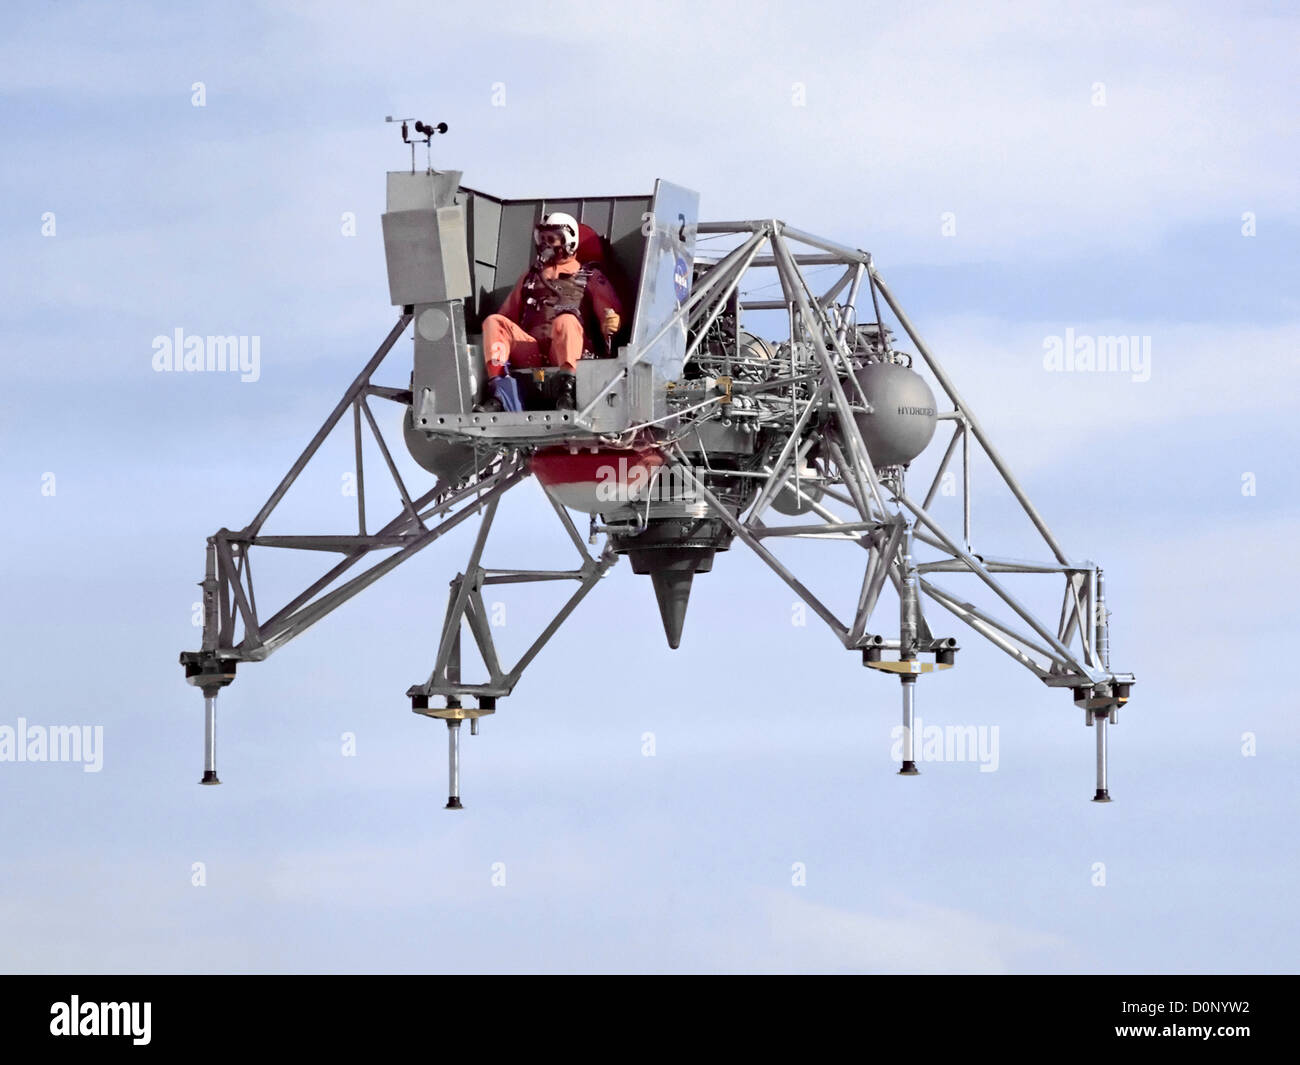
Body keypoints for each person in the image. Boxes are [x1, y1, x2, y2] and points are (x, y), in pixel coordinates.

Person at [480, 212, 622, 411]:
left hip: (573, 353)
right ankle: (500, 391)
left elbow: (611, 312)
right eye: (543, 238)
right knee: (494, 321)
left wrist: (612, 321)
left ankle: (567, 391)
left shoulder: (590, 276)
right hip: (533, 353)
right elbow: (506, 316)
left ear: (569, 240)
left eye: (552, 239)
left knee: (566, 320)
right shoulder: (529, 278)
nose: (546, 244)